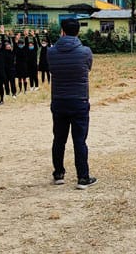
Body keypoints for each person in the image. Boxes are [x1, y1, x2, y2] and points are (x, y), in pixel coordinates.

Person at [48, 18, 96, 190]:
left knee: (59, 139)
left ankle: (59, 173)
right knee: (79, 141)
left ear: (62, 31)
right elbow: (88, 68)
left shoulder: (51, 52)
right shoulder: (85, 52)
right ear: (78, 32)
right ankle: (83, 177)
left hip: (59, 101)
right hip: (79, 101)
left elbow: (51, 69)